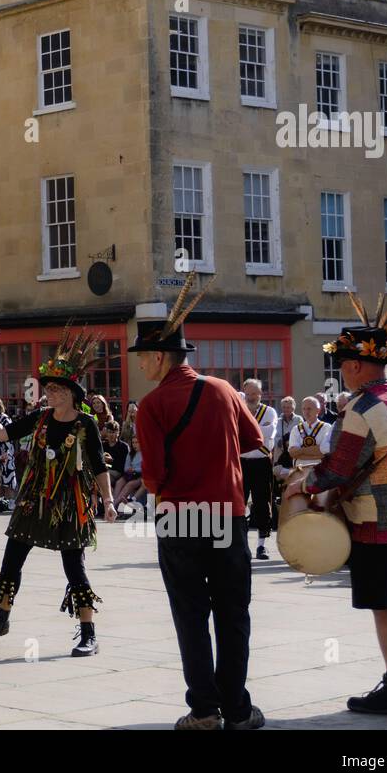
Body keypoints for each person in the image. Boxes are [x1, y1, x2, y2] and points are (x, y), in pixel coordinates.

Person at [286, 294, 387, 716]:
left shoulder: (361, 407)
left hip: (377, 518)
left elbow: (338, 469)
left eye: (342, 366)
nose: (342, 374)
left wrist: (301, 484)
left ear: (353, 366)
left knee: (383, 603)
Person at [130, 276, 266, 731]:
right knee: (234, 614)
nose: (140, 364)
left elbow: (153, 476)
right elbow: (257, 441)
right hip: (228, 515)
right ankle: (239, 709)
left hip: (179, 516)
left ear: (159, 356)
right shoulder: (225, 390)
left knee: (190, 615)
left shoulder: (151, 406)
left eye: (142, 356)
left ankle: (204, 711)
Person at [0, 329, 117, 658]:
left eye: (57, 389)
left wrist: (108, 501)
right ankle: (1, 617)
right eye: (48, 389)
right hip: (34, 499)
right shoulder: (41, 417)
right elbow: (3, 434)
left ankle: (88, 632)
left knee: (74, 567)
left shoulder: (86, 424)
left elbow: (99, 466)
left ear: (72, 393)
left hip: (69, 502)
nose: (50, 394)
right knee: (11, 561)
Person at [239, 379, 278, 561]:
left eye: (255, 394)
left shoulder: (269, 411)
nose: (252, 397)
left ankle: (262, 546)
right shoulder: (239, 411)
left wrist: (248, 434)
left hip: (261, 462)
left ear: (261, 394)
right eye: (248, 394)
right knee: (239, 504)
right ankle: (241, 544)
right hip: (242, 463)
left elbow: (267, 435)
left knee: (263, 503)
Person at [287, 397, 333, 467]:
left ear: (318, 410)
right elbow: (293, 453)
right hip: (300, 471)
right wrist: (315, 450)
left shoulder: (326, 428)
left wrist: (300, 451)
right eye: (304, 409)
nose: (306, 412)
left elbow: (325, 453)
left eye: (309, 409)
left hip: (320, 471)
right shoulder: (296, 429)